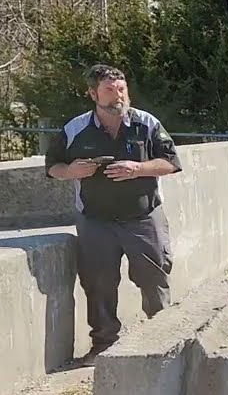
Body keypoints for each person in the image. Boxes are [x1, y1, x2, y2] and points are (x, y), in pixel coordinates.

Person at [44, 64, 182, 354]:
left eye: (122, 89)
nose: (118, 95)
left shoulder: (147, 124)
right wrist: (71, 170)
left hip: (144, 217)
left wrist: (138, 168)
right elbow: (52, 167)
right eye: (110, 90)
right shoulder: (75, 129)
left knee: (154, 277)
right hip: (95, 221)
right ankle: (103, 344)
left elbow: (171, 162)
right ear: (93, 93)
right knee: (98, 283)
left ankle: (165, 340)